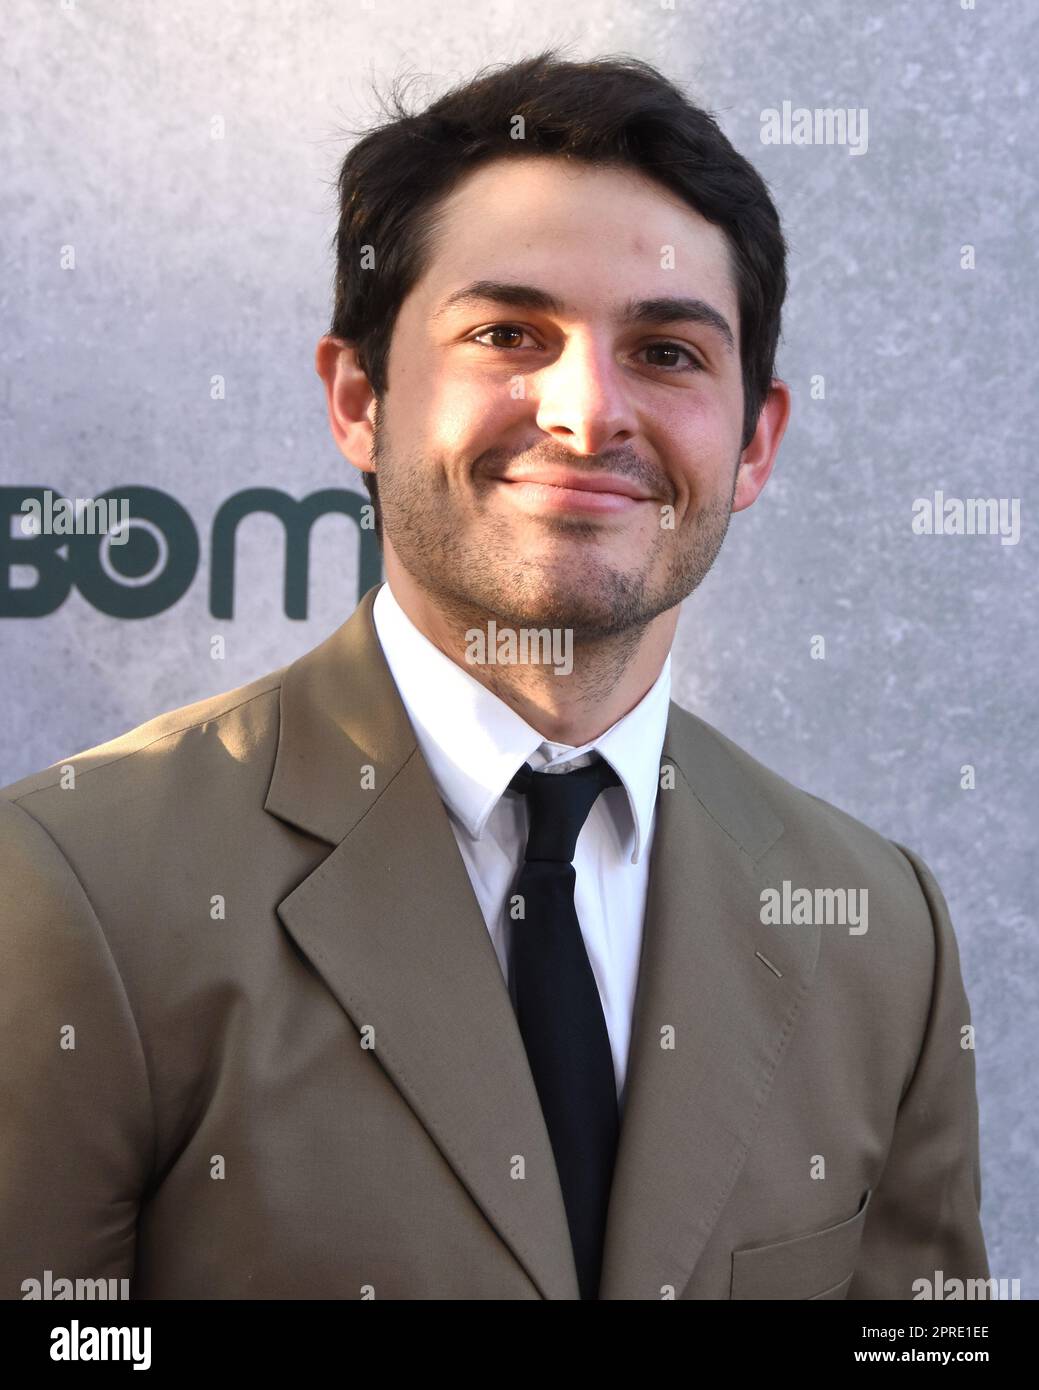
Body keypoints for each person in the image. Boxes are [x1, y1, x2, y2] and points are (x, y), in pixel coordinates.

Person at [0, 49, 988, 1300]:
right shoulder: (74, 886)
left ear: (754, 444)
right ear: (360, 399)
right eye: (508, 333)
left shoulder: (877, 929)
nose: (585, 414)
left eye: (668, 353)